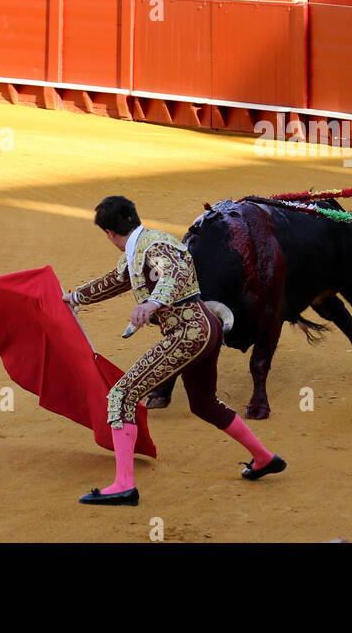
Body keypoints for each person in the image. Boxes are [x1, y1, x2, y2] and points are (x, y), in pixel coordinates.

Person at [62, 196, 286, 506]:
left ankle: (124, 485)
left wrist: (153, 303)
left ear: (109, 233)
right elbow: (117, 280)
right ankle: (264, 458)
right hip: (203, 328)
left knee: (121, 396)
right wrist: (75, 297)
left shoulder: (155, 247)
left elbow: (173, 274)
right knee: (205, 404)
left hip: (188, 331)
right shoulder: (142, 248)